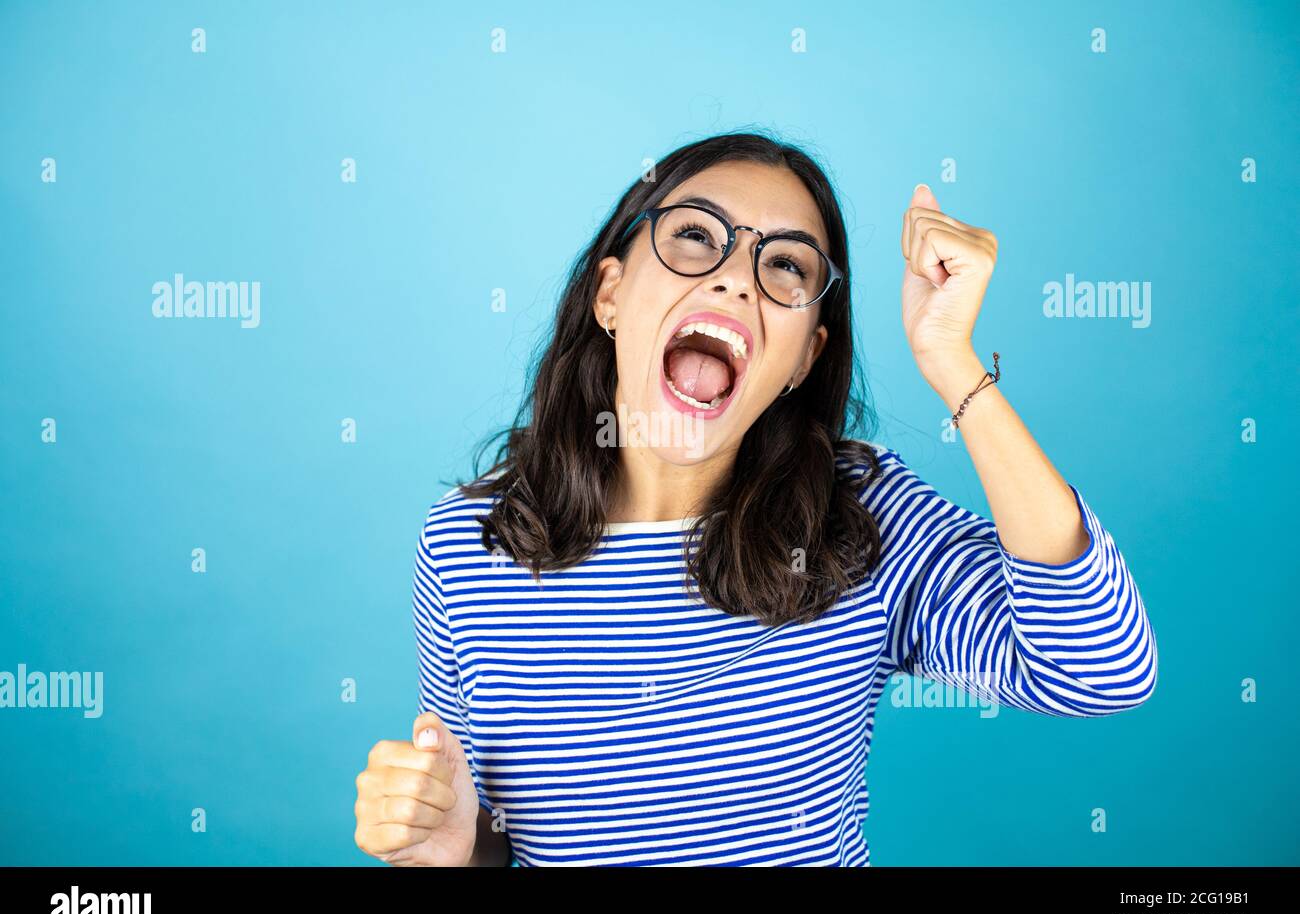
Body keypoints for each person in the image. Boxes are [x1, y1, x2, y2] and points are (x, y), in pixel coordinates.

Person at [353, 130, 1158, 867]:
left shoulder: (855, 517)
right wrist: (457, 842)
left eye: (786, 267)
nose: (737, 280)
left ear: (805, 358)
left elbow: (1097, 671)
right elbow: (499, 838)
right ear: (610, 293)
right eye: (697, 236)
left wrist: (953, 362)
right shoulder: (469, 540)